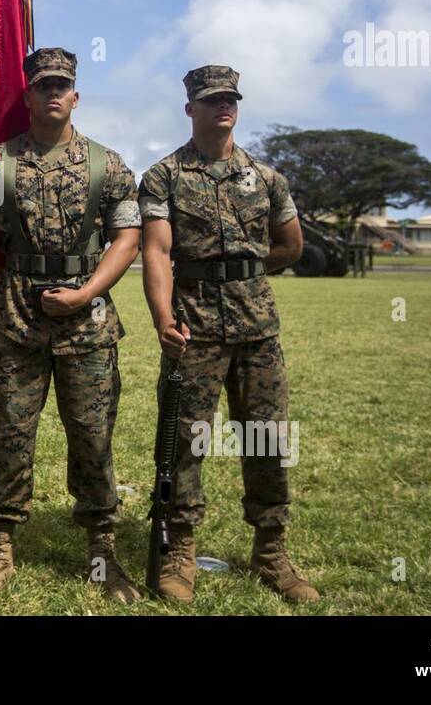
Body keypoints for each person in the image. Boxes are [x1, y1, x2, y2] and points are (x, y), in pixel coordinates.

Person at [0, 47, 143, 605]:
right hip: (15, 317)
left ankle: (103, 547)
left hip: (86, 321)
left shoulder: (107, 165)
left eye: (63, 85)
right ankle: (0, 546)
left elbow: (126, 237)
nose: (53, 93)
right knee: (10, 436)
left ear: (76, 96)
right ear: (29, 96)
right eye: (43, 86)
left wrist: (88, 291)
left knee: (92, 437)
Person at [138, 64, 319, 604]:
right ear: (190, 107)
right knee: (185, 439)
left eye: (231, 99)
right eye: (213, 99)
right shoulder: (164, 176)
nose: (224, 107)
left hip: (257, 328)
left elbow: (291, 244)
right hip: (194, 328)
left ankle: (271, 552)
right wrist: (163, 317)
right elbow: (157, 251)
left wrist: (246, 271)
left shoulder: (266, 178)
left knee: (267, 436)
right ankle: (181, 549)